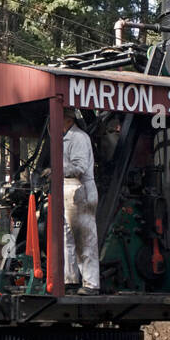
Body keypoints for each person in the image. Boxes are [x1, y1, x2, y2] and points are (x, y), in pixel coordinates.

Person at [61, 105, 100, 295]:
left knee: (85, 238)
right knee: (68, 238)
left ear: (68, 120)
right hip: (69, 191)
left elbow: (79, 167)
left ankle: (91, 284)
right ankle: (71, 280)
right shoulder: (65, 138)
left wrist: (55, 170)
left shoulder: (79, 138)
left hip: (81, 191)